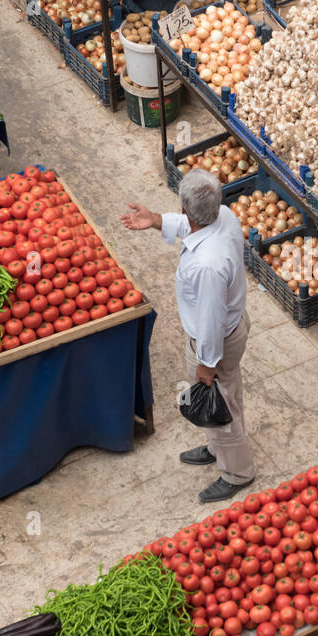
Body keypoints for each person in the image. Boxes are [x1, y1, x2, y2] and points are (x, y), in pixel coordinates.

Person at [121, 171, 256, 504]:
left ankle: (237, 473)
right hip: (233, 328)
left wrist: (206, 365)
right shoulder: (222, 215)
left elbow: (210, 319)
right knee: (228, 394)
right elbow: (192, 227)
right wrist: (156, 220)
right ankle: (217, 448)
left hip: (214, 342)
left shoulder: (208, 266)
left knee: (217, 405)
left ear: (185, 211)